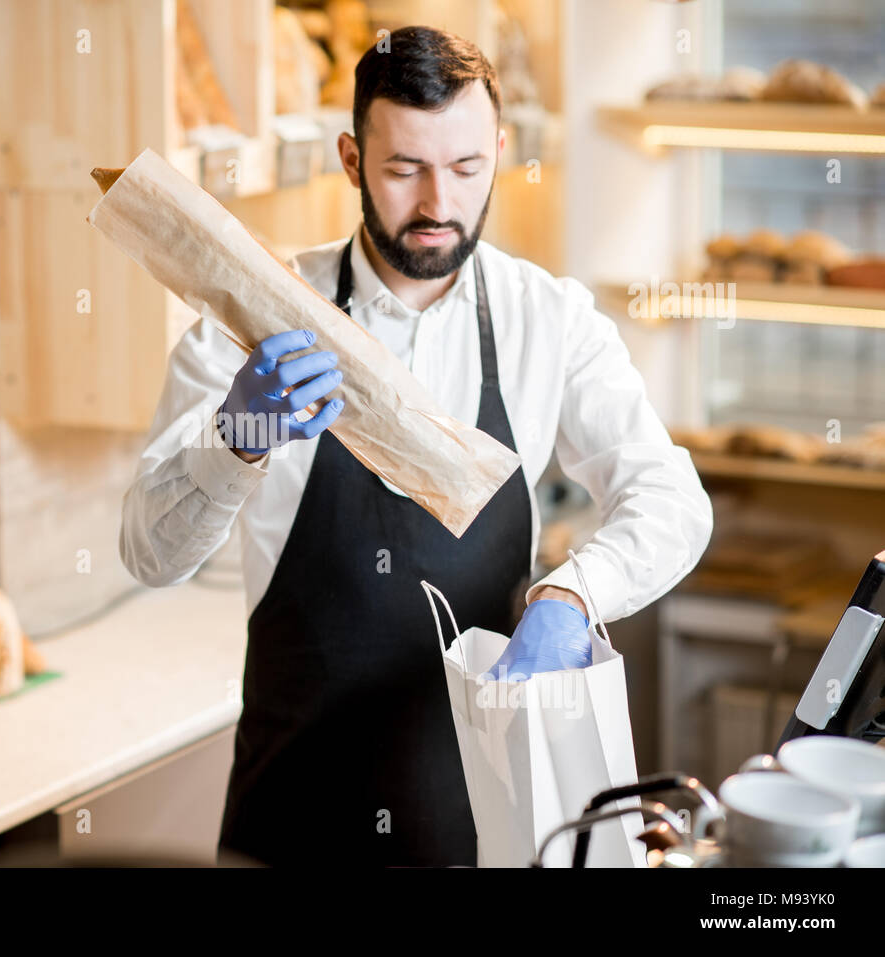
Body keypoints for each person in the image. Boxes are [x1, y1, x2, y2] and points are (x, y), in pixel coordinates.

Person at [119, 26, 712, 867]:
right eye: (404, 169)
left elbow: (673, 501)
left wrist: (574, 595)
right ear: (353, 160)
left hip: (486, 829)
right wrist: (234, 438)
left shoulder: (547, 320)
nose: (439, 202)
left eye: (467, 168)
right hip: (290, 824)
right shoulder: (249, 319)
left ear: (500, 151)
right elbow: (148, 552)